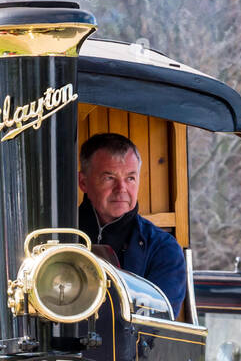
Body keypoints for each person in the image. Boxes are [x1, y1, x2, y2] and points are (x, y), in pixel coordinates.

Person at [77, 132, 187, 315]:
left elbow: (159, 326)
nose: (122, 189)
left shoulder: (163, 249)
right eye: (109, 178)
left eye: (130, 178)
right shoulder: (55, 237)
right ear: (83, 182)